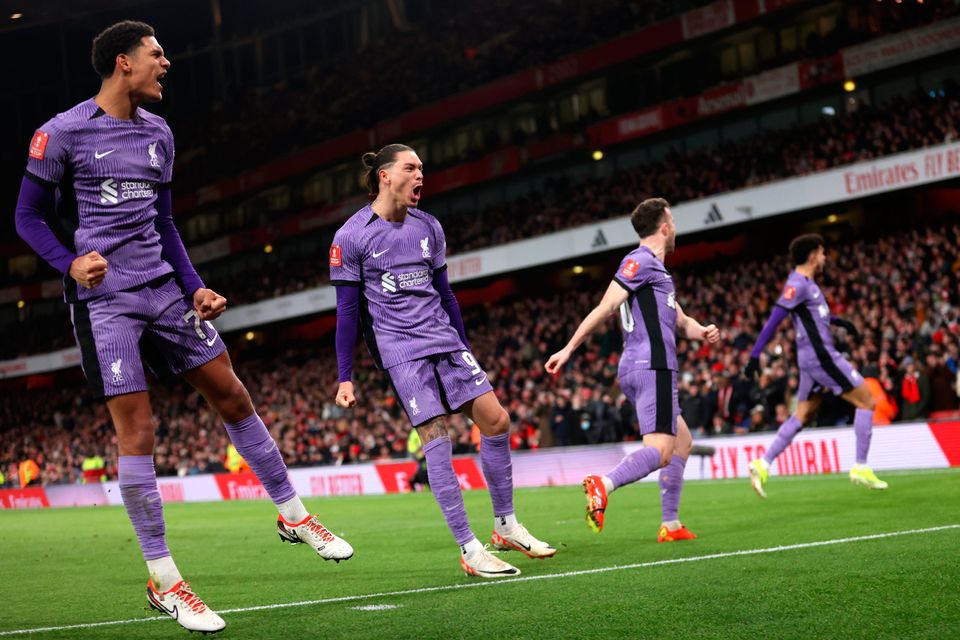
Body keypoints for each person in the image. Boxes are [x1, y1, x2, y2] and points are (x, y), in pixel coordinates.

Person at [13, 21, 352, 634]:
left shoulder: (160, 135)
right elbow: (25, 216)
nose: (166, 62)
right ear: (123, 63)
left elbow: (165, 224)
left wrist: (194, 284)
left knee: (232, 392)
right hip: (106, 301)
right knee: (138, 431)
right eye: (156, 54)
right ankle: (164, 579)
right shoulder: (60, 133)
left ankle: (295, 515)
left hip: (165, 292)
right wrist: (68, 261)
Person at [331, 144, 555, 578]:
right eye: (411, 168)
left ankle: (505, 525)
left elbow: (446, 293)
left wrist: (465, 345)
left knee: (497, 420)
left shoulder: (429, 226)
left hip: (446, 342)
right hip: (401, 352)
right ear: (385, 176)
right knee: (438, 441)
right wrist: (345, 377)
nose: (420, 176)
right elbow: (347, 312)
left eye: (422, 169)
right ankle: (470, 549)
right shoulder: (351, 236)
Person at [545, 197, 721, 542]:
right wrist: (568, 348)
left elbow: (680, 320)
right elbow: (606, 306)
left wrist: (700, 330)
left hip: (640, 366)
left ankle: (670, 525)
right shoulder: (639, 261)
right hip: (652, 365)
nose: (675, 229)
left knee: (681, 442)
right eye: (673, 222)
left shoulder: (656, 271)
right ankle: (604, 485)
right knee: (660, 450)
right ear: (665, 227)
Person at [744, 234, 886, 498]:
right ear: (812, 256)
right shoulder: (796, 284)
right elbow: (775, 318)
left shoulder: (809, 285)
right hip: (821, 357)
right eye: (822, 253)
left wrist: (839, 322)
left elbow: (815, 316)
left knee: (803, 416)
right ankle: (860, 466)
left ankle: (763, 464)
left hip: (809, 360)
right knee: (867, 401)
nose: (824, 258)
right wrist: (754, 355)